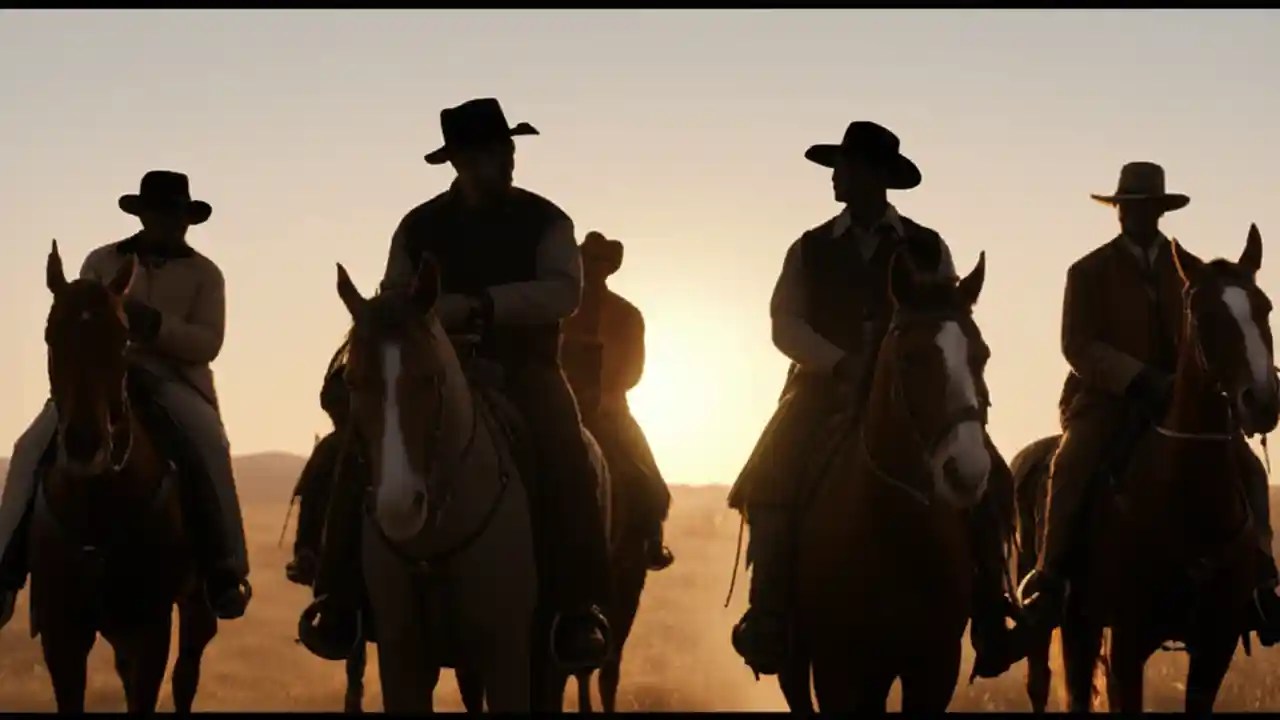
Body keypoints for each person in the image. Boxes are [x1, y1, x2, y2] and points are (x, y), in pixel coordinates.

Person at [726, 121, 1023, 679]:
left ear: (875, 176)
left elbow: (947, 313)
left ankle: (989, 608)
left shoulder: (927, 245)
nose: (836, 177)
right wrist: (837, 361)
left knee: (993, 477)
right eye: (837, 168)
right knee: (767, 475)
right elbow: (784, 324)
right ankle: (769, 611)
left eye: (845, 167)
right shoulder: (809, 248)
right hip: (822, 387)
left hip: (912, 388)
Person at [377, 97, 612, 670]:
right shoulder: (418, 224)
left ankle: (578, 607)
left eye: (505, 148)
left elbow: (564, 293)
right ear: (458, 161)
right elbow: (392, 293)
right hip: (433, 370)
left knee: (566, 453)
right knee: (353, 452)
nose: (502, 159)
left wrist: (482, 306)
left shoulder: (547, 220)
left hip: (524, 368)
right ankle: (338, 591)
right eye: (487, 151)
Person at [1017, 161, 1280, 639]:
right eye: (1128, 209)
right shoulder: (1088, 270)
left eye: (1146, 209)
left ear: (1160, 212)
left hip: (1182, 401)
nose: (1136, 217)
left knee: (1250, 470)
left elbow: (1211, 338)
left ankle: (1262, 579)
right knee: (1073, 461)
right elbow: (1077, 345)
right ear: (1118, 212)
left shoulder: (1192, 273)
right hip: (1107, 399)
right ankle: (1051, 576)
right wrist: (1138, 378)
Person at [0, 170, 251, 628]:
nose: (169, 224)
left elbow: (208, 342)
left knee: (210, 444)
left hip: (174, 380)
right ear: (144, 215)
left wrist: (153, 325)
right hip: (99, 378)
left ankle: (225, 569)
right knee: (28, 447)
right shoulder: (101, 261)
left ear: (186, 220)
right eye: (160, 214)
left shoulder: (204, 275)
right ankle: (6, 569)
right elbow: (80, 317)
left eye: (176, 216)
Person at [561, 231, 675, 572]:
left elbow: (632, 372)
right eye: (589, 259)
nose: (593, 268)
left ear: (610, 268)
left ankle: (649, 539)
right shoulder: (557, 306)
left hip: (610, 409)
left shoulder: (626, 315)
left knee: (649, 483)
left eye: (600, 262)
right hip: (560, 399)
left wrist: (604, 391)